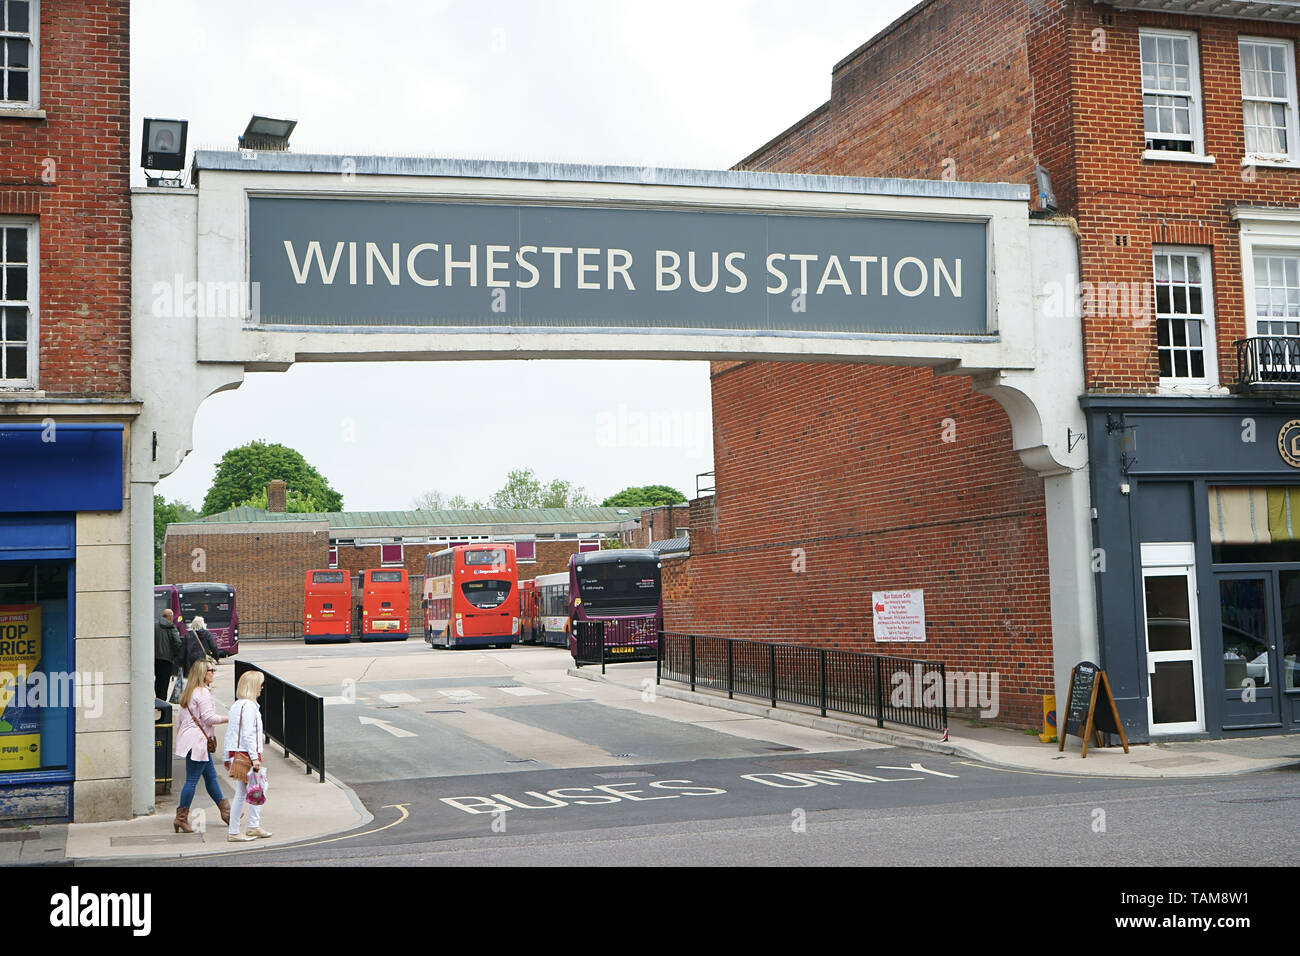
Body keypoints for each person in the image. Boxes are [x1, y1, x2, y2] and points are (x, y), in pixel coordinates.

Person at [172, 659, 230, 833]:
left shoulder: (189, 692)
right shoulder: (203, 693)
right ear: (202, 674)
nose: (213, 673)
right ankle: (180, 818)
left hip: (192, 741)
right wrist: (230, 717)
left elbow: (180, 720)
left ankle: (227, 813)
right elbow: (209, 718)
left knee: (211, 777)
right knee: (191, 780)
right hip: (198, 742)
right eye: (210, 670)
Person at [224, 670, 271, 842]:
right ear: (253, 686)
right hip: (246, 753)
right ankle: (237, 830)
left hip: (237, 752)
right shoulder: (249, 706)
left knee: (253, 788)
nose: (262, 687)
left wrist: (225, 756)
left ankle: (251, 826)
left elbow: (231, 732)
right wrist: (255, 758)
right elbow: (247, 735)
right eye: (260, 684)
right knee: (248, 791)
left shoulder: (237, 705)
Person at [153, 608, 182, 700]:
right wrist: (175, 654)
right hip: (167, 658)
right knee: (165, 680)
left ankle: (158, 698)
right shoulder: (171, 627)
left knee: (158, 679)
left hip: (156, 658)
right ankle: (162, 701)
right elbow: (177, 642)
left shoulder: (155, 626)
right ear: (170, 617)